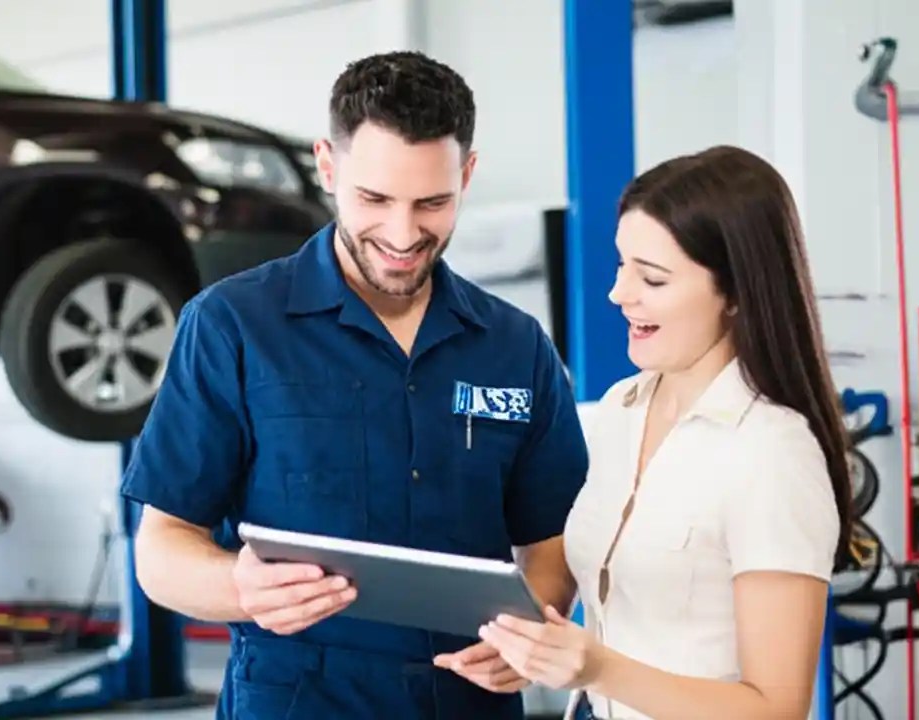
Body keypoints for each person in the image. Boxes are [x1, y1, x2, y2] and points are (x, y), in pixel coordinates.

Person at [119, 50, 589, 720]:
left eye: (432, 203)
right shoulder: (234, 327)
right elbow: (162, 549)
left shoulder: (516, 347)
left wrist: (531, 626)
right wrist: (238, 587)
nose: (403, 233)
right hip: (299, 698)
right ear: (328, 166)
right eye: (375, 199)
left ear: (467, 174)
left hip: (468, 699)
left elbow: (553, 542)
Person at [475, 146, 854, 720]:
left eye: (652, 278)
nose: (619, 293)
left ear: (735, 293)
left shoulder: (772, 453)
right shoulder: (621, 410)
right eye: (622, 265)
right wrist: (530, 646)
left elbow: (777, 709)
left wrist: (597, 668)